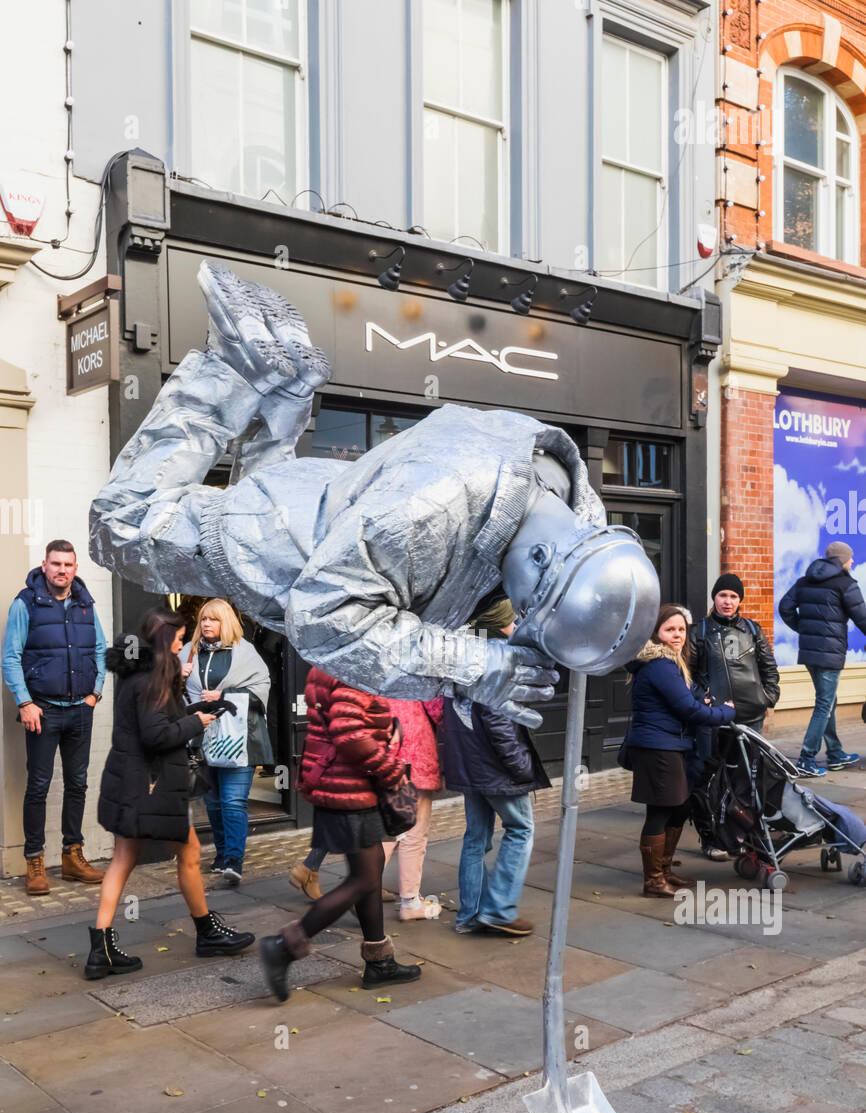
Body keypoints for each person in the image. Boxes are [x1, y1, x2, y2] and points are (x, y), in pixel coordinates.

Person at [89, 260, 660, 728]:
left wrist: (472, 675)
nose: (521, 622)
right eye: (536, 606)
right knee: (120, 521)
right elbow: (324, 618)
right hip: (281, 541)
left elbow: (456, 581)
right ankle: (233, 369)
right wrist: (470, 663)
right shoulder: (434, 507)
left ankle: (285, 393)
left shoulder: (575, 510)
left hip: (325, 505)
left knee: (265, 492)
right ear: (541, 559)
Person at [87, 608, 255, 979]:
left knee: (123, 859)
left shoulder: (141, 674)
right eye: (179, 640)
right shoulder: (152, 679)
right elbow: (157, 735)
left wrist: (194, 706)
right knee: (190, 853)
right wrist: (196, 721)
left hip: (130, 782)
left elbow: (158, 721)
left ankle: (101, 947)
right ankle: (207, 932)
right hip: (152, 785)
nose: (182, 647)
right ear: (166, 640)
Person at [259, 669, 422, 1001]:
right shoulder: (352, 670)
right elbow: (349, 734)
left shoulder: (336, 666)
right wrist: (391, 769)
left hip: (344, 787)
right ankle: (284, 946)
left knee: (370, 871)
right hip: (350, 791)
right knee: (364, 879)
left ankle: (380, 962)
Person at [1, 540, 107, 895]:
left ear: (75, 568)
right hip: (42, 710)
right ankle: (34, 860)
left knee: (78, 784)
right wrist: (25, 703)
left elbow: (99, 649)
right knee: (39, 786)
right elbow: (10, 657)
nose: (62, 570)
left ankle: (72, 856)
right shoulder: (25, 603)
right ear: (44, 566)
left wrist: (95, 693)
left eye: (69, 565)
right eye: (56, 564)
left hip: (81, 709)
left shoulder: (85, 603)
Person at [440, 622, 550, 937]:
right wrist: (523, 769)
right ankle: (499, 910)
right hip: (495, 770)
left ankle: (470, 915)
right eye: (511, 621)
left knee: (476, 837)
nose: (516, 625)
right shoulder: (494, 666)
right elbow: (500, 725)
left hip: (471, 767)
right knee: (521, 829)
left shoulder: (459, 669)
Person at [624, 605, 735, 897]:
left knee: (680, 806)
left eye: (681, 630)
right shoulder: (661, 665)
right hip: (657, 747)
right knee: (661, 810)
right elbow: (687, 708)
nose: (677, 635)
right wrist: (724, 713)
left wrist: (704, 700)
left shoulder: (673, 663)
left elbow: (689, 696)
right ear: (657, 633)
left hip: (670, 744)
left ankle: (664, 869)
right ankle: (653, 880)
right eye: (670, 629)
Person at [180, 598, 273, 885]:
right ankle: (221, 856)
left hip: (239, 738)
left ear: (227, 622)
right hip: (202, 736)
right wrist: (174, 676)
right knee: (213, 803)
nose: (206, 624)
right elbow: (171, 695)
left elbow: (261, 690)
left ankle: (234, 860)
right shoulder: (188, 653)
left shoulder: (245, 653)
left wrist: (224, 695)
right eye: (204, 619)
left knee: (233, 801)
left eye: (214, 619)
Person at [689, 573, 780, 859]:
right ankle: (711, 838)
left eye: (733, 596)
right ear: (714, 598)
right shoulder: (698, 631)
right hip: (713, 719)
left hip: (751, 717)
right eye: (722, 596)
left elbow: (769, 668)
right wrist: (698, 698)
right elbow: (686, 672)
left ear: (740, 600)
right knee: (709, 778)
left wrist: (768, 697)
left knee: (745, 778)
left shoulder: (752, 629)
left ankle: (741, 833)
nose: (727, 602)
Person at [779, 541, 866, 777]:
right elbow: (862, 617)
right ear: (841, 560)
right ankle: (807, 758)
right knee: (824, 705)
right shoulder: (846, 584)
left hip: (810, 652)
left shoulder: (805, 581)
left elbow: (785, 607)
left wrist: (805, 630)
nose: (853, 561)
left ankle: (836, 753)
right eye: (850, 558)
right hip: (830, 653)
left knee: (828, 700)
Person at [382, 698, 445, 920]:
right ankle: (410, 902)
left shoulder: (374, 668)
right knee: (414, 833)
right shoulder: (420, 668)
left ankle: (360, 887)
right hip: (415, 749)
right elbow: (439, 711)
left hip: (387, 749)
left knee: (389, 831)